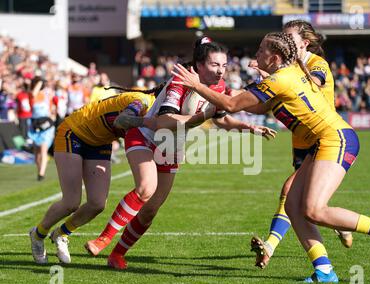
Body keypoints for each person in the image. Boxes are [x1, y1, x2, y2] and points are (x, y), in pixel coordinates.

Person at [172, 32, 370, 283]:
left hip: (335, 140)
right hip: (323, 142)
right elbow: (257, 106)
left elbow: (231, 104)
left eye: (261, 50)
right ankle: (324, 270)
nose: (256, 54)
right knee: (293, 207)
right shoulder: (282, 75)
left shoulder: (279, 79)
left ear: (273, 58)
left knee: (314, 210)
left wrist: (198, 86)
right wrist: (216, 104)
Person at [85, 37, 276, 270]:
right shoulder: (180, 81)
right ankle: (103, 239)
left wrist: (249, 127)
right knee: (146, 188)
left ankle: (117, 254)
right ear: (199, 64)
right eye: (215, 65)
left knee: (150, 211)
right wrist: (201, 117)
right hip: (145, 134)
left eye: (224, 65)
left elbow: (222, 118)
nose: (220, 71)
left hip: (171, 147)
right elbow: (164, 122)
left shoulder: (218, 87)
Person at [249, 20, 353, 270]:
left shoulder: (317, 64)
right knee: (304, 201)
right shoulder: (286, 67)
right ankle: (338, 227)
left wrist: (272, 75)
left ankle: (271, 246)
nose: (285, 41)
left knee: (291, 192)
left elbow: (311, 87)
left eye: (290, 37)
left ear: (305, 43)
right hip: (302, 139)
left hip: (324, 136)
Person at [29, 89, 156, 264]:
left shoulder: (154, 107)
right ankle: (37, 234)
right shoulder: (142, 101)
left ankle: (61, 234)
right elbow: (122, 120)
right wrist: (149, 123)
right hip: (74, 132)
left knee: (97, 204)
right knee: (71, 202)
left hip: (99, 142)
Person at [28, 77, 55, 181]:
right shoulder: (32, 95)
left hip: (46, 125)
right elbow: (34, 93)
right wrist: (39, 82)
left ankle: (41, 173)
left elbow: (52, 108)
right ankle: (39, 170)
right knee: (36, 151)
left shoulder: (47, 95)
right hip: (35, 124)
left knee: (43, 149)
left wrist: (52, 116)